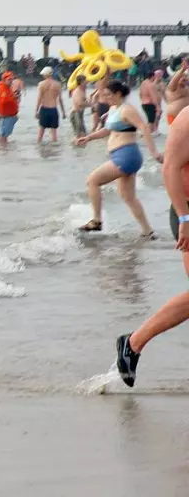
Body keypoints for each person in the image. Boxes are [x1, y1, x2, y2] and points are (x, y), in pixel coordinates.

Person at [114, 105, 189, 387]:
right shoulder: (187, 119)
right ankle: (132, 343)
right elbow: (170, 166)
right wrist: (184, 217)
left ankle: (132, 344)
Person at [76, 79, 162, 237]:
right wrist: (89, 138)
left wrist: (154, 152)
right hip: (123, 155)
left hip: (126, 154)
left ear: (118, 93)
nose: (106, 98)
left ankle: (96, 221)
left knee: (92, 181)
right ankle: (147, 231)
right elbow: (107, 130)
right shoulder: (114, 108)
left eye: (108, 95)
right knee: (128, 196)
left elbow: (143, 127)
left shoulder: (127, 110)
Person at [35, 66, 67, 143]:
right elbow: (60, 99)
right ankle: (54, 152)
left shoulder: (41, 84)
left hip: (44, 109)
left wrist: (36, 111)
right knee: (54, 133)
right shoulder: (58, 84)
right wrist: (63, 112)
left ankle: (38, 150)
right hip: (53, 109)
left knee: (41, 133)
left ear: (45, 75)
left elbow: (39, 99)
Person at [0, 71, 19, 145]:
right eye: (9, 80)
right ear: (4, 80)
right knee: (2, 136)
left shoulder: (7, 88)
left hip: (10, 115)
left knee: (5, 136)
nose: (11, 81)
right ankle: (1, 151)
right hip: (6, 116)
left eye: (12, 79)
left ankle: (4, 151)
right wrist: (14, 97)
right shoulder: (2, 88)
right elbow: (4, 101)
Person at [165, 58, 189, 126]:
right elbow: (175, 79)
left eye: (186, 77)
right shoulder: (172, 87)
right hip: (175, 117)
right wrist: (183, 69)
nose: (185, 78)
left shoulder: (186, 88)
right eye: (182, 77)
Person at [69, 75, 90, 139]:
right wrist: (91, 104)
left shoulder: (83, 90)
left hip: (80, 114)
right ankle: (75, 147)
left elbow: (84, 101)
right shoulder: (77, 91)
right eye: (85, 81)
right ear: (81, 82)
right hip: (75, 114)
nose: (87, 82)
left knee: (83, 135)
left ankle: (81, 148)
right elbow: (79, 104)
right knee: (80, 135)